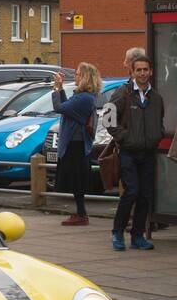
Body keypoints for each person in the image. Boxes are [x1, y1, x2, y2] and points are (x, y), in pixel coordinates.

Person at [104, 54, 164, 251]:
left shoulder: (156, 97)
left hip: (148, 153)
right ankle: (117, 232)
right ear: (132, 72)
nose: (142, 73)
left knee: (146, 195)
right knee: (131, 192)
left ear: (151, 72)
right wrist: (124, 137)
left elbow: (159, 121)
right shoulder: (123, 93)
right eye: (138, 70)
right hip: (128, 152)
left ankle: (138, 235)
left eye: (145, 69)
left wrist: (158, 135)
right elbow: (108, 119)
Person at [53, 62, 101, 226]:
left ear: (86, 77)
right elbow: (66, 108)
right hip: (75, 143)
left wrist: (57, 88)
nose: (75, 76)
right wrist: (60, 90)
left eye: (78, 74)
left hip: (77, 144)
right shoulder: (82, 96)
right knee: (75, 180)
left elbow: (58, 107)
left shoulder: (84, 98)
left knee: (77, 180)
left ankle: (82, 214)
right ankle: (81, 212)